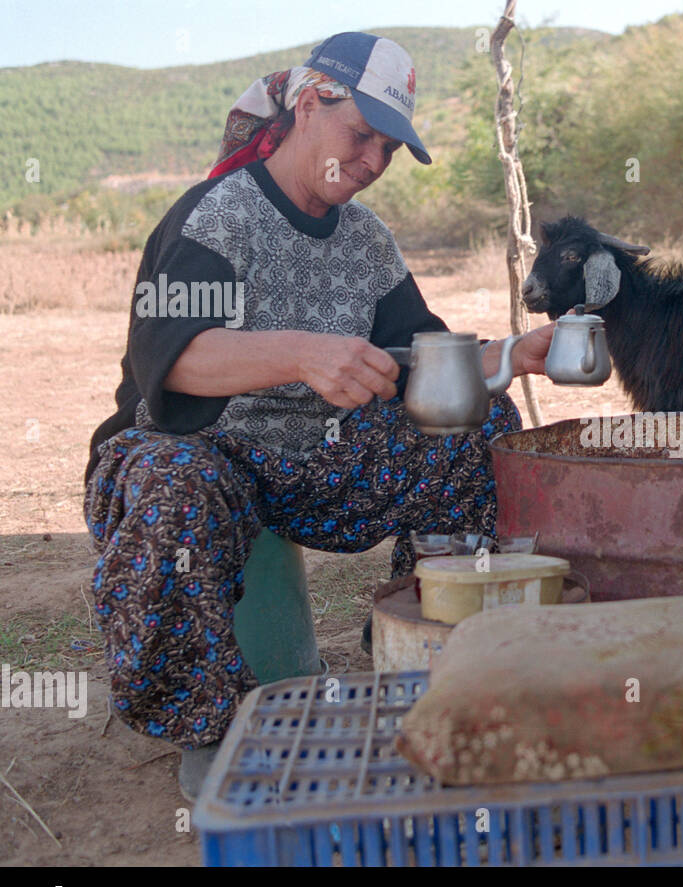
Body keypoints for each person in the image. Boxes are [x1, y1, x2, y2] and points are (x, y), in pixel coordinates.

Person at [83, 32, 554, 798]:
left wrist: (513, 355)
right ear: (309, 104)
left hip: (318, 460)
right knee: (175, 486)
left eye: (389, 148)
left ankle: (421, 655)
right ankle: (210, 727)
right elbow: (166, 362)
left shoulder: (368, 243)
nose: (371, 161)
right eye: (360, 134)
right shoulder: (216, 216)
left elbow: (422, 363)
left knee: (479, 432)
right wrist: (302, 353)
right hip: (197, 449)